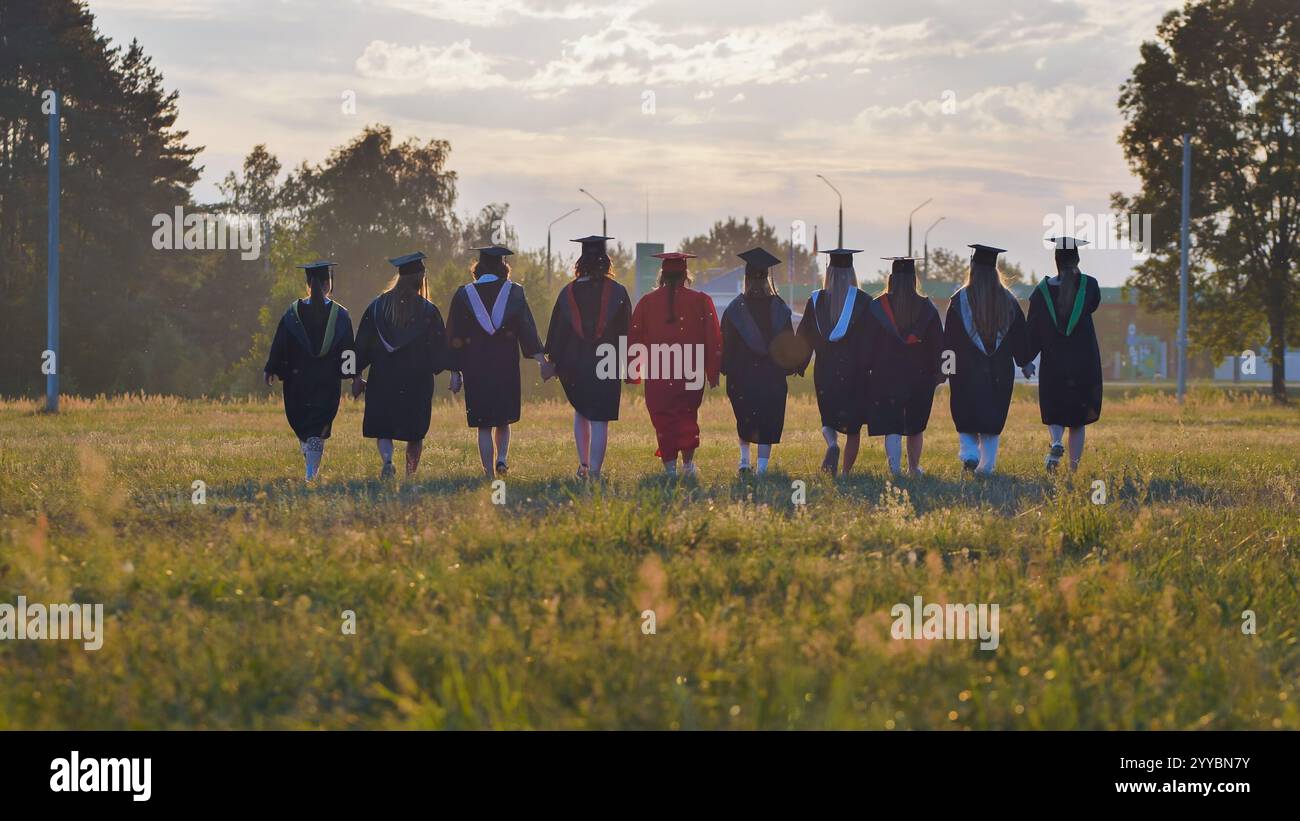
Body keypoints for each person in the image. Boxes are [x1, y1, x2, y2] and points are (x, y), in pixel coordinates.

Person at [445, 246, 547, 478]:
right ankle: (501, 459)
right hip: (505, 366)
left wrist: (454, 371)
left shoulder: (464, 295)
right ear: (504, 266)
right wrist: (542, 361)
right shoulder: (514, 292)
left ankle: (489, 473)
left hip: (475, 367)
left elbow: (453, 335)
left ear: (478, 268)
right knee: (503, 419)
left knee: (484, 424)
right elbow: (527, 330)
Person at [352, 251, 451, 479]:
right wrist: (448, 368)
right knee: (415, 433)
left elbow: (362, 344)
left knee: (384, 427)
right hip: (416, 381)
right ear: (421, 278)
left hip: (383, 378)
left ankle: (387, 460)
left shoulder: (377, 308)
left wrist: (355, 375)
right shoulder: (428, 311)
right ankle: (410, 475)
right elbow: (439, 348)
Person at [543, 235, 631, 480]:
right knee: (600, 418)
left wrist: (553, 361)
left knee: (581, 411)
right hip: (607, 361)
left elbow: (558, 333)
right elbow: (627, 330)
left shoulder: (567, 293)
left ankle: (583, 465)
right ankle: (595, 471)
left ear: (581, 261)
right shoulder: (618, 292)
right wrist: (628, 363)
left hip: (575, 363)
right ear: (605, 262)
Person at [628, 251, 722, 478]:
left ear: (662, 276)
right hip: (691, 370)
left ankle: (670, 468)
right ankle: (688, 465)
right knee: (687, 415)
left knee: (663, 419)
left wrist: (634, 371)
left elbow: (634, 337)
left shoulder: (647, 302)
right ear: (685, 275)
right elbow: (714, 338)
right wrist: (712, 372)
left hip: (659, 371)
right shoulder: (701, 301)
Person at [942, 244, 1031, 475]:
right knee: (992, 418)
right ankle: (987, 466)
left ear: (972, 269)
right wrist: (1024, 362)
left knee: (965, 411)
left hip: (965, 369)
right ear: (995, 271)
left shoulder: (959, 300)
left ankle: (970, 451)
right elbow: (1020, 336)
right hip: (998, 370)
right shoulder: (1009, 300)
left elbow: (948, 340)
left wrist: (945, 368)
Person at [263, 260, 355, 482]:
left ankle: (310, 473)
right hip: (326, 381)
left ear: (307, 284)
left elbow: (280, 343)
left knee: (305, 425)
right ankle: (311, 472)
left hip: (298, 381)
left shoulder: (292, 313)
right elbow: (348, 349)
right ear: (327, 284)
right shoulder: (340, 315)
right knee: (317, 426)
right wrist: (352, 374)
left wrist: (271, 368)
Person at [1025, 236, 1103, 471]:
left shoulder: (1041, 293)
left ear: (1055, 260)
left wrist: (1026, 359)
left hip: (1054, 361)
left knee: (1055, 411)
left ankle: (1056, 442)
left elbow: (1033, 329)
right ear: (1077, 258)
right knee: (1077, 421)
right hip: (1083, 362)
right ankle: (1073, 469)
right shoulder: (1089, 286)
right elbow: (1092, 305)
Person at [721, 247, 800, 475]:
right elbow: (788, 344)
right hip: (771, 376)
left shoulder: (735, 309)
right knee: (768, 418)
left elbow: (726, 344)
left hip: (742, 376)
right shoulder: (780, 308)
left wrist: (727, 368)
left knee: (744, 416)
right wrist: (789, 367)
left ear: (746, 278)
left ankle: (744, 461)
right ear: (767, 277)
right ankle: (762, 470)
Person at [795, 248, 872, 477]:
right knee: (853, 428)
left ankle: (831, 445)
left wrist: (798, 364)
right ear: (852, 273)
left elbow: (804, 336)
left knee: (828, 418)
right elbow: (870, 339)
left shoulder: (815, 300)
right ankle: (846, 473)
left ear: (828, 272)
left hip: (825, 370)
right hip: (855, 372)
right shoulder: (863, 302)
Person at [865, 257, 944, 475]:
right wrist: (940, 373)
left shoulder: (876, 307)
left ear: (891, 279)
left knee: (892, 424)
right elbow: (939, 344)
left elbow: (867, 343)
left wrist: (868, 368)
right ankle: (913, 467)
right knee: (915, 425)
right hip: (919, 376)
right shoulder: (927, 308)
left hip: (885, 374)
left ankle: (894, 469)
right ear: (913, 280)